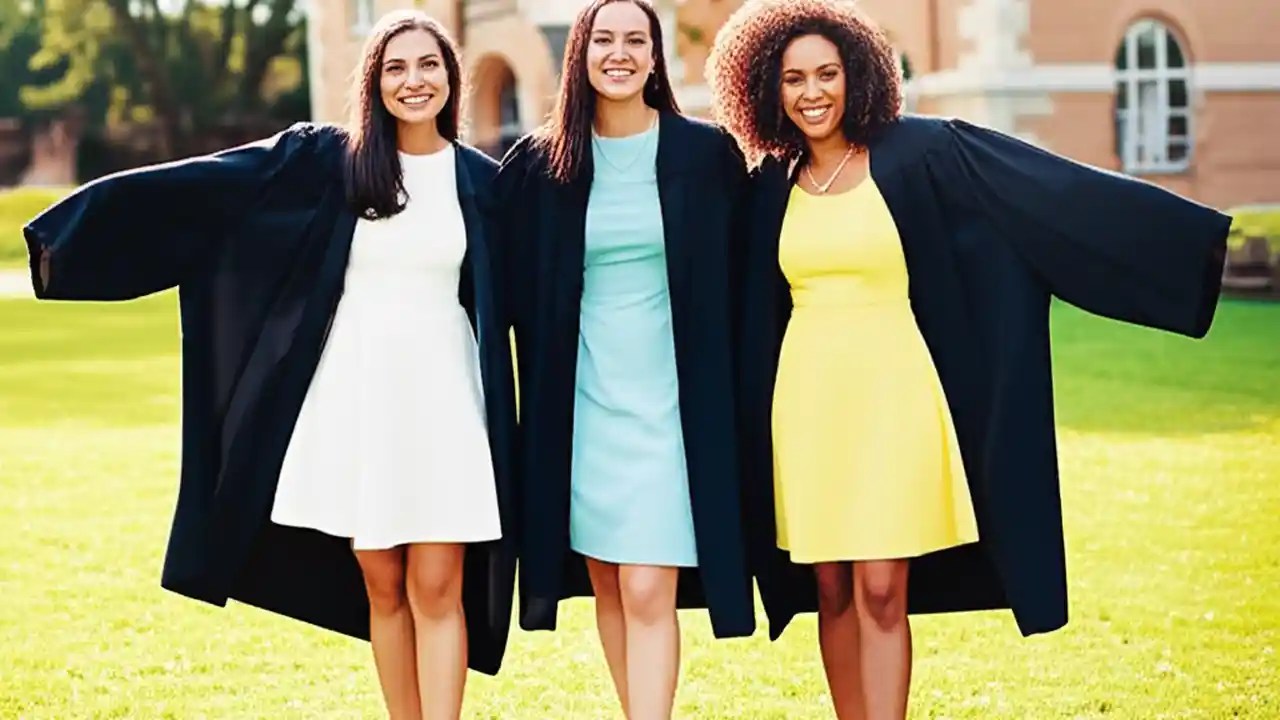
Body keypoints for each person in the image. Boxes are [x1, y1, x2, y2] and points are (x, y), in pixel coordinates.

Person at [705, 1, 1230, 718]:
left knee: (884, 586)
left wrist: (1177, 241)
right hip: (805, 400)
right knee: (827, 585)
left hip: (894, 389)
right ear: (767, 88)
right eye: (794, 78)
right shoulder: (769, 187)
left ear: (857, 76)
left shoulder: (920, 153)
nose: (812, 92)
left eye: (827, 73)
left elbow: (1044, 191)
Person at [23, 10, 518, 719]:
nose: (415, 81)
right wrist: (75, 235)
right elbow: (210, 188)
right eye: (397, 68)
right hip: (357, 395)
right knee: (381, 584)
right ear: (375, 83)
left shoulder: (484, 183)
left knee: (437, 586)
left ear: (452, 77)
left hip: (443, 396)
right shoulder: (331, 163)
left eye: (429, 65)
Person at [492, 1, 752, 717]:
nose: (619, 52)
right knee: (608, 581)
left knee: (645, 585)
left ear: (654, 55)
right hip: (582, 407)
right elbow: (492, 272)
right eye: (603, 39)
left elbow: (751, 266)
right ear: (580, 53)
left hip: (673, 406)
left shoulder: (705, 157)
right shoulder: (541, 166)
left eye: (635, 40)